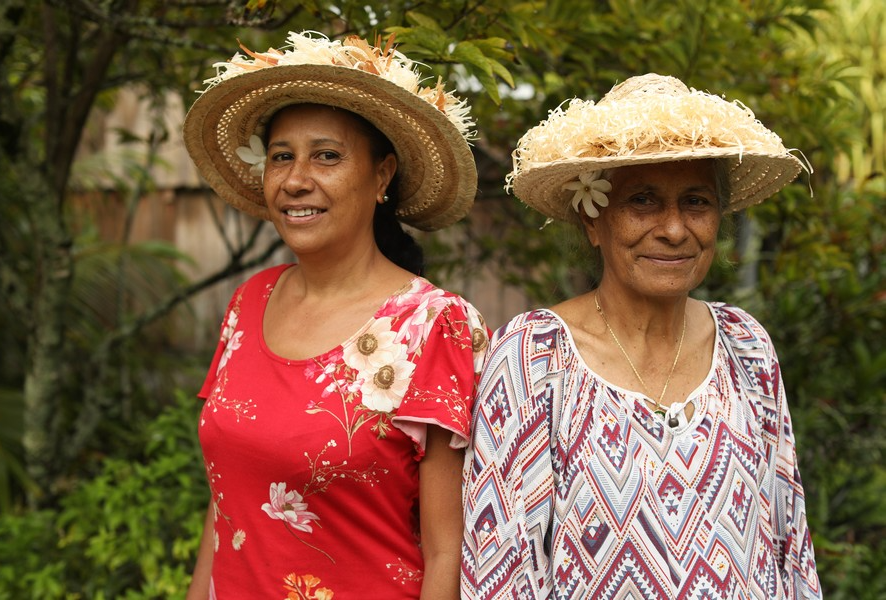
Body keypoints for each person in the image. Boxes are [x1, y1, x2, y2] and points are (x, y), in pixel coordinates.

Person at [462, 74, 822, 599]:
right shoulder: (535, 356)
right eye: (644, 201)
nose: (674, 229)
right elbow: (500, 568)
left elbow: (789, 544)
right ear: (593, 221)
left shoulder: (746, 346)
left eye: (696, 202)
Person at [182, 31, 489, 599]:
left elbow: (450, 551)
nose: (297, 180)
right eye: (282, 157)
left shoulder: (433, 326)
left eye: (327, 155)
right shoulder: (250, 302)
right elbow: (226, 505)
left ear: (381, 176)